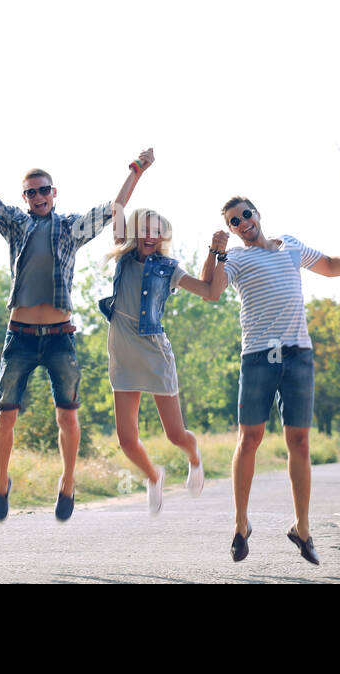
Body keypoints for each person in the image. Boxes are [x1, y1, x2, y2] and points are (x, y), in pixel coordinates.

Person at [0, 145, 155, 521]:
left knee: (67, 415)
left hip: (61, 336)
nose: (38, 197)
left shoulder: (70, 227)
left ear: (54, 192)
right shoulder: (16, 223)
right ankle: (2, 481)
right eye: (31, 192)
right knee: (6, 414)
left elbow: (114, 208)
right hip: (20, 335)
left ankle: (67, 481)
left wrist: (137, 168)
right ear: (25, 197)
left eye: (43, 190)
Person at [202, 197, 340, 564]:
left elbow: (327, 265)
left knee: (301, 442)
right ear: (231, 230)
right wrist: (215, 252)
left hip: (298, 355)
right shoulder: (236, 258)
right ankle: (241, 524)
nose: (243, 222)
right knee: (249, 439)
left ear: (257, 214)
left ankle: (302, 529)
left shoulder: (290, 245)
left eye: (246, 214)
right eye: (234, 221)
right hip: (259, 356)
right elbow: (211, 291)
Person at [97, 208, 228, 515]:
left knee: (175, 434)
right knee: (127, 440)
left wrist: (219, 255)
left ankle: (194, 456)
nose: (150, 236)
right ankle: (154, 476)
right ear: (135, 232)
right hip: (123, 355)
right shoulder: (123, 259)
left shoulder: (169, 269)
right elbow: (117, 206)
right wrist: (137, 169)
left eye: (157, 231)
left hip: (155, 354)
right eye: (145, 229)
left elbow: (211, 292)